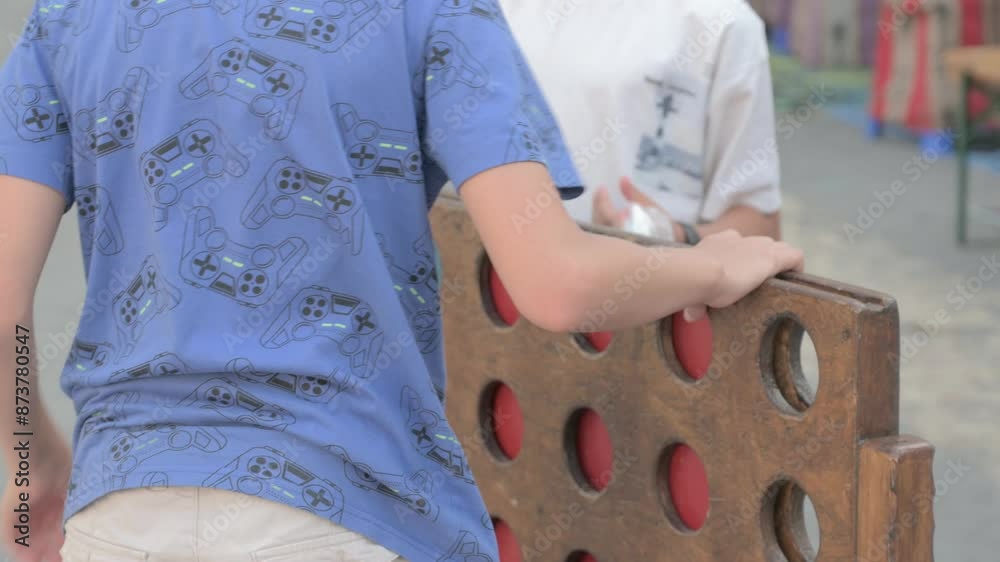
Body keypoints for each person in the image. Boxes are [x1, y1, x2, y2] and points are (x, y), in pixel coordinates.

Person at [0, 1, 802, 560]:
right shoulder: (437, 9)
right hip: (350, 509)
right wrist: (714, 260)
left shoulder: (68, 15)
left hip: (123, 510)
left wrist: (36, 470)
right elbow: (557, 284)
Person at [500, 0, 783, 243]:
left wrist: (671, 236)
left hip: (646, 294)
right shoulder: (493, 11)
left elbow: (761, 227)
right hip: (490, 284)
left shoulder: (722, 22)